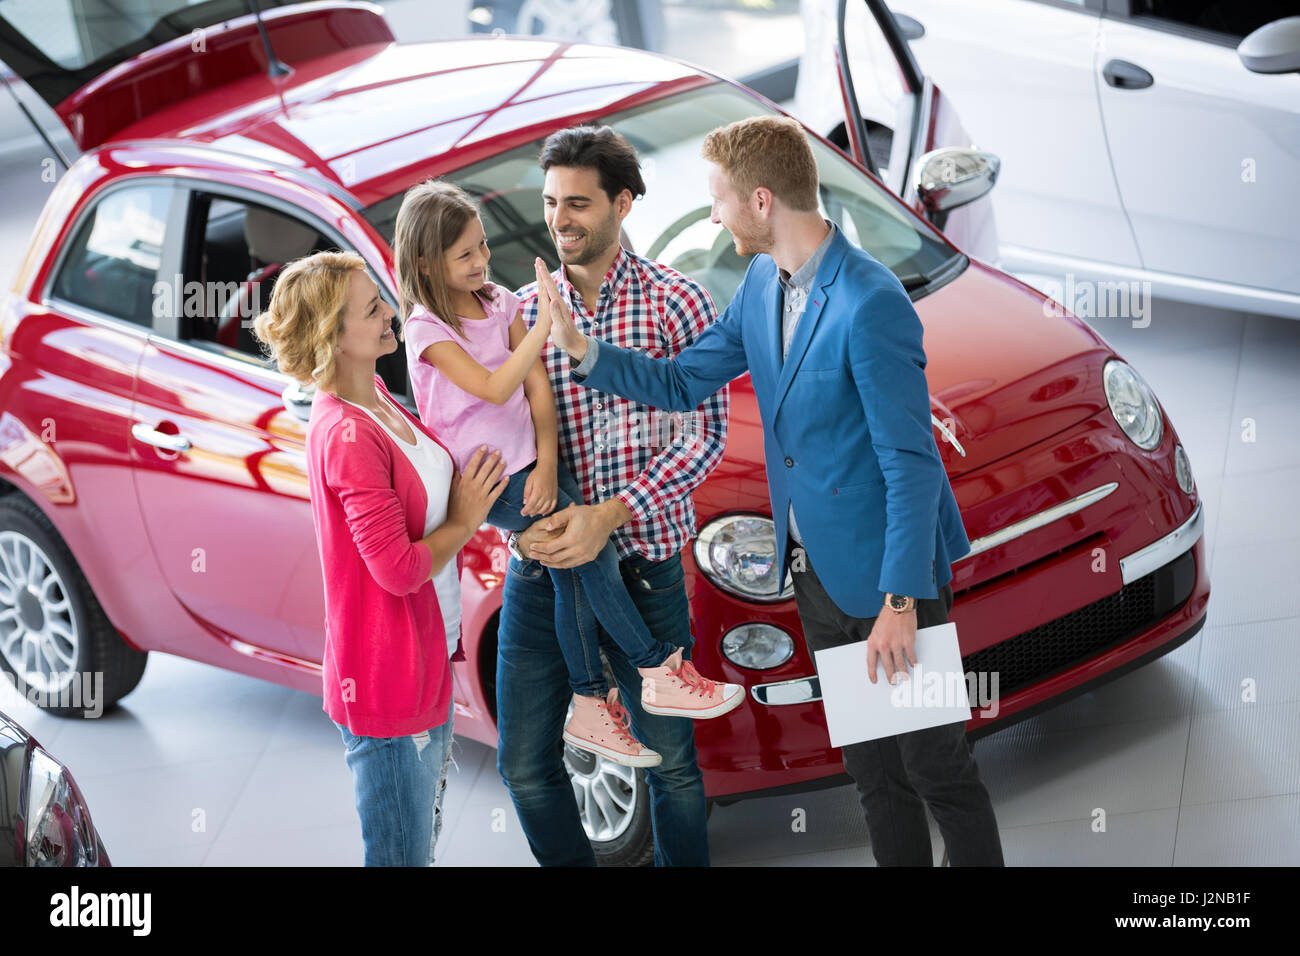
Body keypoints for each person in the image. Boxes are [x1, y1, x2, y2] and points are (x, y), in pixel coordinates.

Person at [542, 115, 1005, 866]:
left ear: (761, 202)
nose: (713, 216)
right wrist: (583, 352)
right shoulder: (761, 284)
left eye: (719, 200)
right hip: (816, 571)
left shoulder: (870, 302)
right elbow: (682, 379)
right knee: (874, 776)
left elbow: (911, 465)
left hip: (889, 579)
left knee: (937, 769)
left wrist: (901, 605)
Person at [391, 180, 743, 770]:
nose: (482, 263)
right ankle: (654, 667)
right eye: (466, 256)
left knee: (580, 559)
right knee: (587, 553)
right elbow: (495, 384)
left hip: (531, 465)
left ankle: (593, 701)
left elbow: (535, 389)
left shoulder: (499, 301)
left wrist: (549, 461)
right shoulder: (427, 329)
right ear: (426, 261)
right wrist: (548, 324)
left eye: (483, 248)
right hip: (485, 480)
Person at [500, 125, 731, 866]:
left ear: (623, 203)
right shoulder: (520, 314)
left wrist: (612, 513)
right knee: (526, 766)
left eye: (579, 203)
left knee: (672, 766)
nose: (561, 219)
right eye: (550, 203)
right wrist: (518, 528)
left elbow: (705, 437)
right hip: (544, 577)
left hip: (644, 572)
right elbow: (485, 442)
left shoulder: (678, 304)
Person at [252, 250, 508, 866]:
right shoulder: (347, 435)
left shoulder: (379, 400)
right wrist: (466, 520)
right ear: (333, 339)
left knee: (418, 847)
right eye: (372, 309)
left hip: (427, 659)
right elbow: (396, 570)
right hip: (387, 682)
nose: (390, 312)